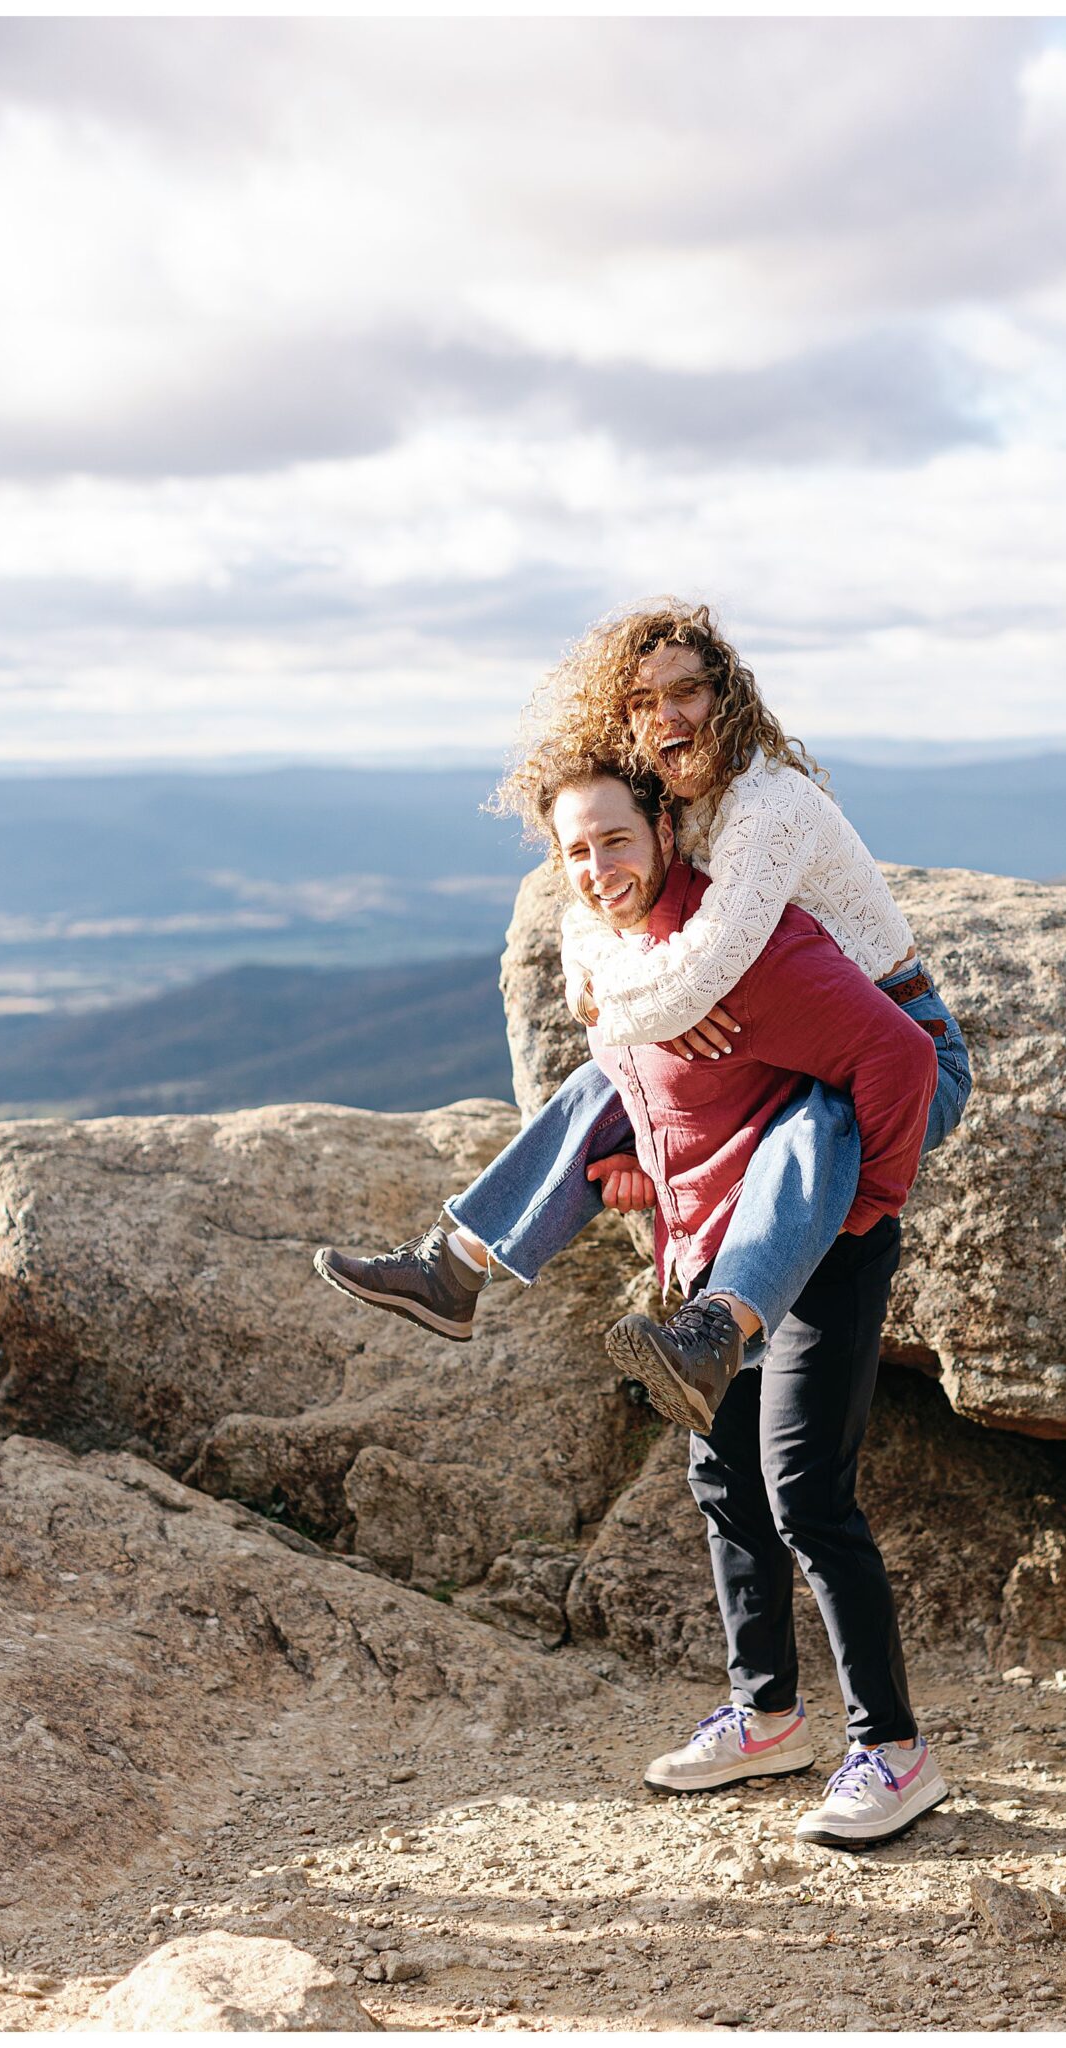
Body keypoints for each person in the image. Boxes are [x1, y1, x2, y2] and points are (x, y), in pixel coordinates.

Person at [374, 750, 948, 1845]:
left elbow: (903, 1062)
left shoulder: (749, 940)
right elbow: (671, 1106)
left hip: (814, 1240)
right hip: (708, 1244)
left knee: (803, 1491)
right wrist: (639, 1169)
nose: (597, 866)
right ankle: (766, 1712)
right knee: (723, 1477)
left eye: (616, 839)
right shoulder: (634, 959)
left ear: (668, 834)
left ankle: (892, 1748)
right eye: (575, 849)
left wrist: (864, 1206)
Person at [315, 600, 971, 1432]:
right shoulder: (669, 801)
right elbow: (587, 920)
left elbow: (699, 977)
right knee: (603, 1083)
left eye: (686, 691)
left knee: (819, 1118)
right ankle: (457, 1262)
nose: (665, 715)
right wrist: (623, 1028)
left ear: (725, 696)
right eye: (639, 701)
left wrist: (864, 1202)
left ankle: (713, 1332)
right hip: (793, 1042)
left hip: (899, 1047)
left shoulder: (766, 810)